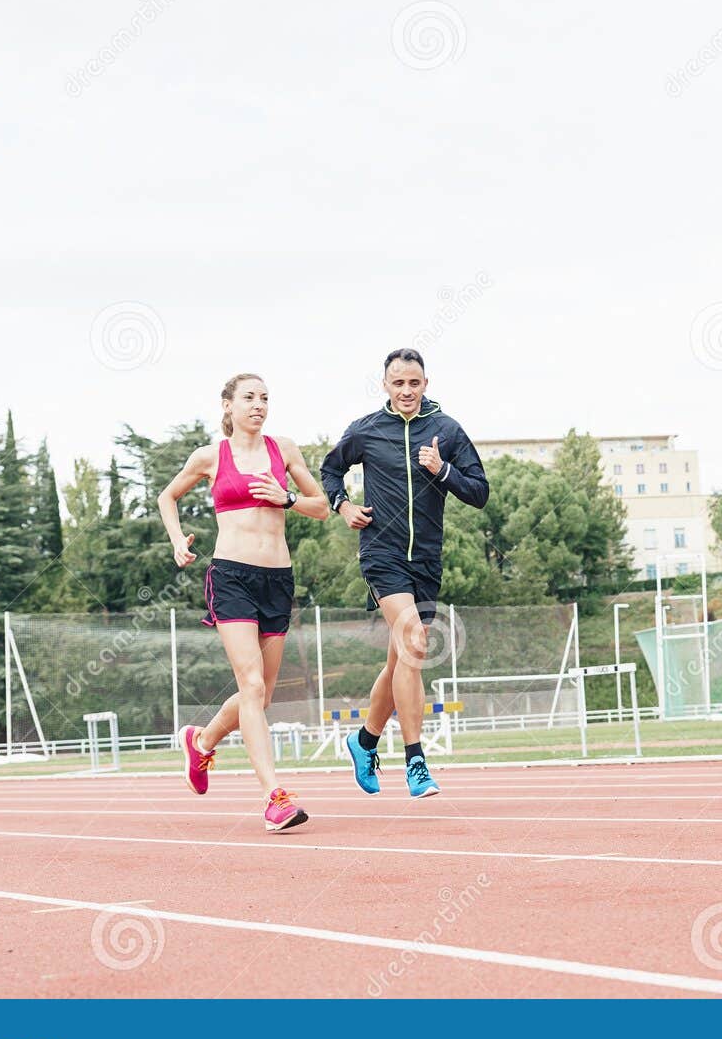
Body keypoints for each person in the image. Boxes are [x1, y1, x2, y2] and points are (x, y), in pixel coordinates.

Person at [160, 372, 330, 832]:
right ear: (228, 406)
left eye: (265, 398)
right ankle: (274, 796)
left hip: (277, 577)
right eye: (249, 398)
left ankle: (202, 741)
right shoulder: (210, 456)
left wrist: (288, 497)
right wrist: (178, 541)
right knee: (251, 685)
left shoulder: (285, 450)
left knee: (264, 695)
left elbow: (323, 506)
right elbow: (167, 496)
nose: (259, 405)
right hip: (231, 575)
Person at [320, 348, 489, 798]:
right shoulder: (367, 430)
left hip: (427, 561)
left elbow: (479, 492)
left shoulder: (447, 431)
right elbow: (331, 469)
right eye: (398, 383)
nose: (406, 391)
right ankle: (416, 761)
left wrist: (443, 469)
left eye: (414, 383)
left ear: (426, 384)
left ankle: (364, 741)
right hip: (382, 552)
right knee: (415, 641)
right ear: (386, 386)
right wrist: (343, 505)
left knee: (403, 658)